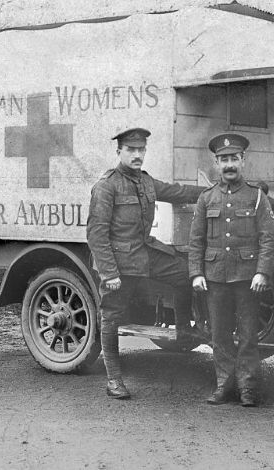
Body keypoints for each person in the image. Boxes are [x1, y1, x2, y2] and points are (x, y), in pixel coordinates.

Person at [87, 127, 205, 400]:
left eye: (141, 150)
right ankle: (114, 379)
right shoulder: (107, 186)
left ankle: (184, 333)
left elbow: (178, 191)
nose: (137, 155)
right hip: (119, 261)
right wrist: (108, 273)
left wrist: (215, 190)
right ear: (119, 152)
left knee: (186, 273)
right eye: (131, 150)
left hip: (143, 252)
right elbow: (96, 234)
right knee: (112, 317)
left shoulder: (146, 182)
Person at [188, 133, 274, 407]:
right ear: (216, 162)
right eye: (224, 159)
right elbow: (196, 240)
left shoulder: (257, 196)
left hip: (248, 279)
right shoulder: (206, 198)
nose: (229, 164)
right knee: (220, 335)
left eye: (234, 159)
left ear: (243, 160)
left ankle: (248, 389)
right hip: (215, 278)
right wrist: (197, 273)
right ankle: (223, 386)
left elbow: (268, 237)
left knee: (249, 335)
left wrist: (262, 271)